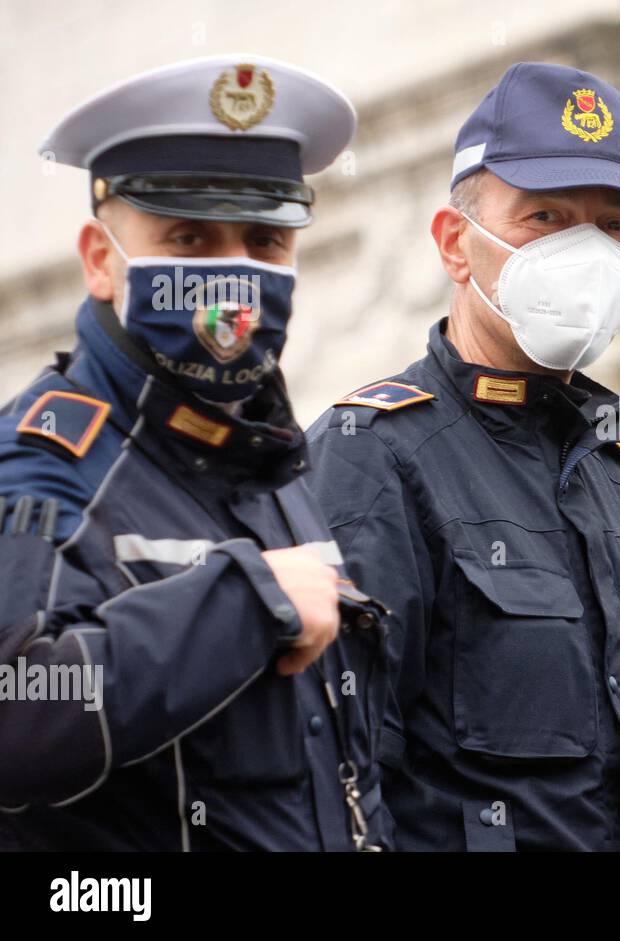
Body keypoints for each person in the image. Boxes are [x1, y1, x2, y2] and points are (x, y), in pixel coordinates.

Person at [0, 55, 391, 851]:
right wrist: (246, 605)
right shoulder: (41, 463)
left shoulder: (269, 461)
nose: (233, 275)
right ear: (102, 259)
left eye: (264, 241)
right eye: (189, 237)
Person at [306, 62, 620, 851]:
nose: (586, 252)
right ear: (457, 244)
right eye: (546, 217)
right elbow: (332, 786)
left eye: (615, 226)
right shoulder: (373, 458)